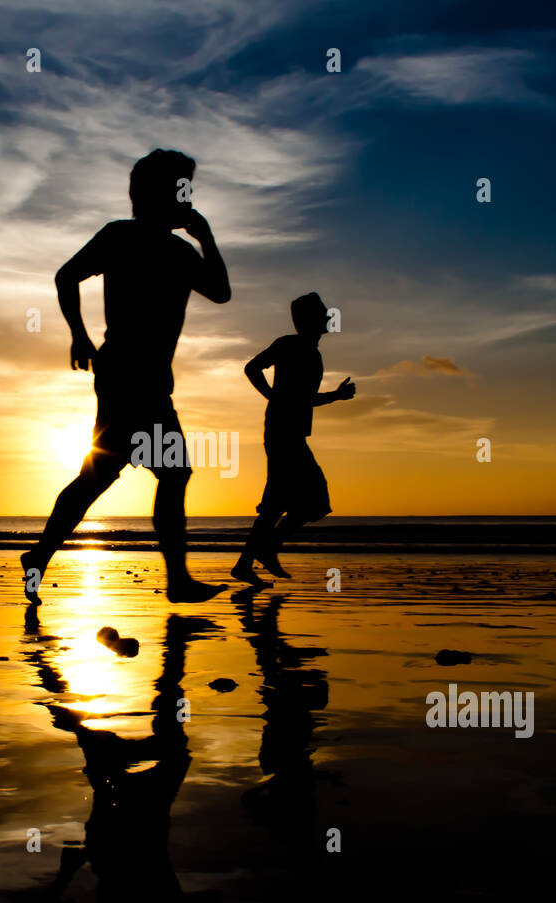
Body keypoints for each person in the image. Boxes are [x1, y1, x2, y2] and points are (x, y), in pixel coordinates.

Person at [22, 149, 231, 604]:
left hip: (147, 379)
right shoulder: (120, 236)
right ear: (156, 194)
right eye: (182, 188)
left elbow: (221, 292)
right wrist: (79, 336)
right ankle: (177, 581)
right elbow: (66, 276)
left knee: (100, 476)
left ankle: (39, 555)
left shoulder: (179, 252)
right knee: (172, 473)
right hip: (125, 375)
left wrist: (206, 240)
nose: (188, 196)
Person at [232, 292, 354, 586]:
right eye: (323, 312)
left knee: (282, 503)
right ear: (308, 319)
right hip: (282, 434)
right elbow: (251, 368)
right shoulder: (289, 344)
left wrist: (334, 396)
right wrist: (271, 396)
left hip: (291, 433)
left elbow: (303, 399)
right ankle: (264, 551)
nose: (328, 316)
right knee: (313, 501)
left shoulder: (313, 353)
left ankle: (250, 560)